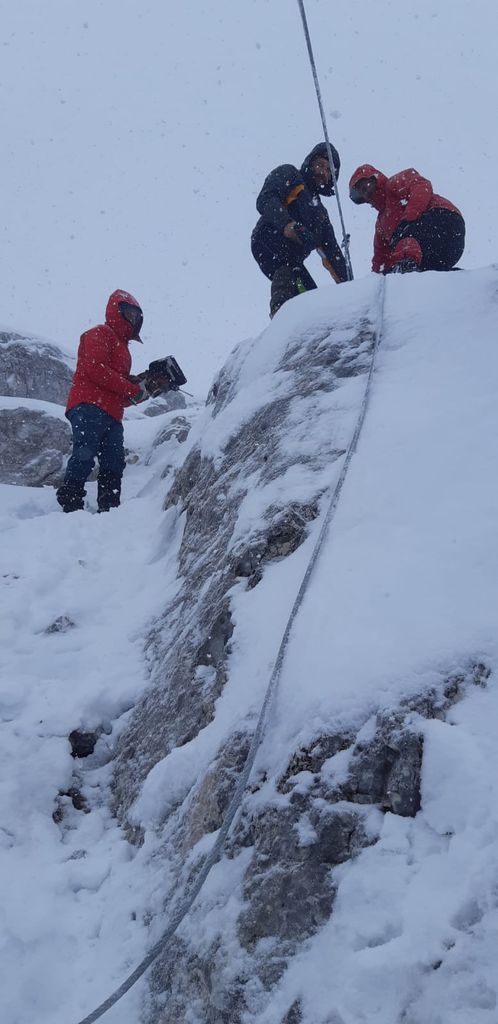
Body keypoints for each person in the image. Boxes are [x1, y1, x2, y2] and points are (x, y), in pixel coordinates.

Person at [56, 289, 151, 513]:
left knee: (114, 461)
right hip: (88, 404)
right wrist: (132, 388)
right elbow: (95, 370)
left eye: (136, 316)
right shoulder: (99, 333)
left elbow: (118, 392)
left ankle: (110, 508)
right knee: (85, 452)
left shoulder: (125, 350)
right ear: (116, 310)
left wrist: (144, 390)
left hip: (112, 413)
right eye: (128, 312)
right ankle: (71, 500)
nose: (132, 318)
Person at [251, 142, 349, 317]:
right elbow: (266, 198)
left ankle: (307, 322)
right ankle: (281, 314)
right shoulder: (291, 175)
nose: (323, 172)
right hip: (269, 238)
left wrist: (350, 288)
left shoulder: (320, 214)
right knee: (286, 270)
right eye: (320, 165)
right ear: (310, 163)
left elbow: (332, 252)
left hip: (294, 257)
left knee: (310, 296)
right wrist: (286, 224)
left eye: (329, 171)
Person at [349, 164, 465, 275]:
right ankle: (454, 280)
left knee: (405, 237)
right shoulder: (381, 225)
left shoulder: (393, 184)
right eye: (362, 192)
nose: (366, 192)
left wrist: (408, 219)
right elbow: (380, 259)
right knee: (426, 271)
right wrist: (377, 280)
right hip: (445, 250)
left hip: (443, 218)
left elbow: (421, 186)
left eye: (366, 186)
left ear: (375, 179)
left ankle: (407, 267)